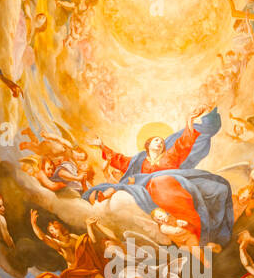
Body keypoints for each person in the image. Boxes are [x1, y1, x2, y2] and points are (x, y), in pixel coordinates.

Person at [86, 105, 234, 249]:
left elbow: (184, 143)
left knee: (217, 188)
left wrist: (190, 120)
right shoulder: (139, 160)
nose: (160, 142)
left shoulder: (171, 155)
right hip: (152, 190)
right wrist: (101, 146)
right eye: (156, 140)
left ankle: (202, 234)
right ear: (148, 145)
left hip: (173, 186)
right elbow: (119, 160)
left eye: (162, 141)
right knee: (152, 182)